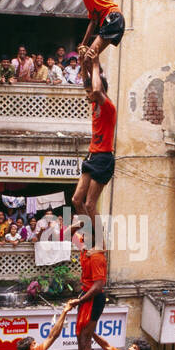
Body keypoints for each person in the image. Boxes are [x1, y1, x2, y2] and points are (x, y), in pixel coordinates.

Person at [31, 0, 125, 66]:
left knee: (89, 58)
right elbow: (93, 22)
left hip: (113, 19)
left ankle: (96, 78)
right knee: (87, 60)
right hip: (114, 20)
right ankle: (93, 80)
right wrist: (83, 45)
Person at [73, 57, 116, 226]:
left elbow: (97, 90)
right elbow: (88, 82)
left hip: (103, 158)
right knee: (77, 200)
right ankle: (88, 229)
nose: (87, 95)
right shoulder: (94, 103)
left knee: (90, 204)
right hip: (91, 156)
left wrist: (96, 63)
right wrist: (85, 62)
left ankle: (99, 240)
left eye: (89, 92)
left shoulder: (108, 107)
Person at [70, 224, 107, 350]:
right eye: (82, 234)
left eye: (85, 235)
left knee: (85, 339)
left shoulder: (97, 257)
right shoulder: (85, 249)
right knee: (80, 336)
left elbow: (98, 286)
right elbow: (67, 234)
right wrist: (76, 225)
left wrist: (80, 301)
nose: (82, 237)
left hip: (94, 298)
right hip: (86, 296)